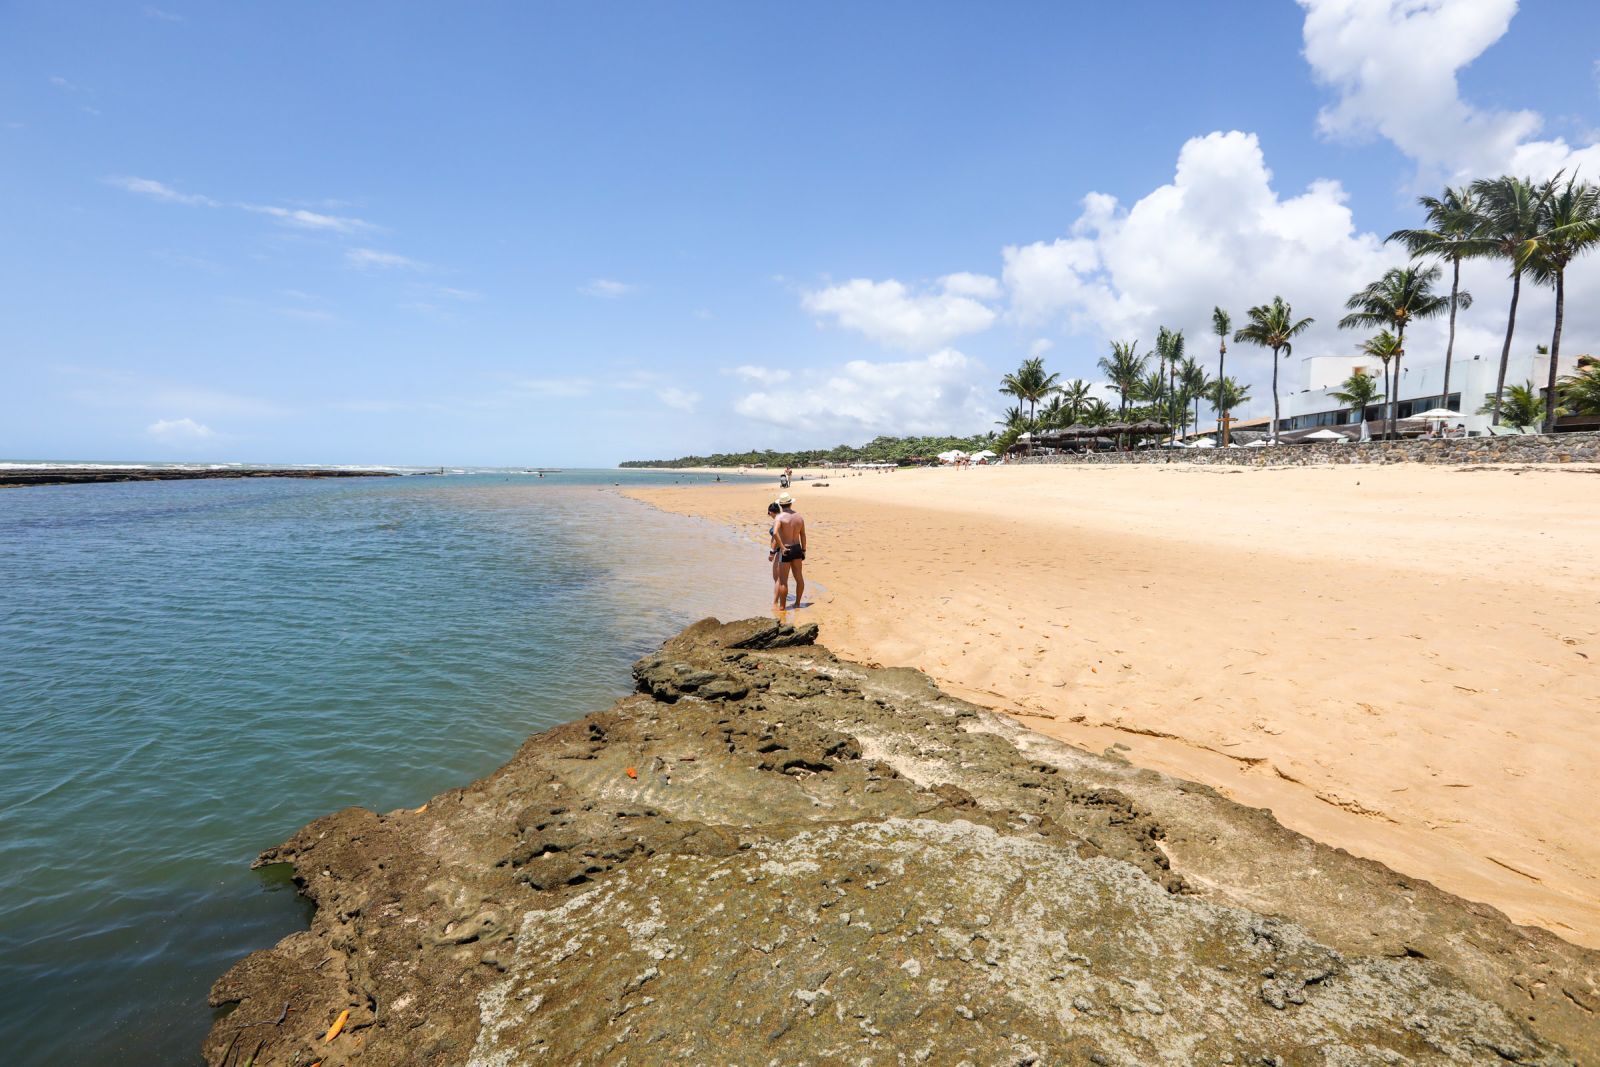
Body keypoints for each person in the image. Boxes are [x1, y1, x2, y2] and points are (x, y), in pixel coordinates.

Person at [772, 491, 806, 610]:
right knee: (799, 578)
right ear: (790, 504)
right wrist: (804, 549)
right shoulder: (799, 516)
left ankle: (782, 607)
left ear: (781, 505)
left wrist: (781, 547)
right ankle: (797, 603)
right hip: (797, 548)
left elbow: (775, 533)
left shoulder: (779, 517)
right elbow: (803, 535)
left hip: (786, 549)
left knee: (783, 581)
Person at [765, 501, 782, 585]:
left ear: (771, 512)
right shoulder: (781, 518)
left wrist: (772, 553)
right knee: (780, 577)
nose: (769, 515)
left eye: (769, 513)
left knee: (777, 577)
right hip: (779, 550)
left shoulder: (777, 521)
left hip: (779, 550)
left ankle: (778, 597)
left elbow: (776, 537)